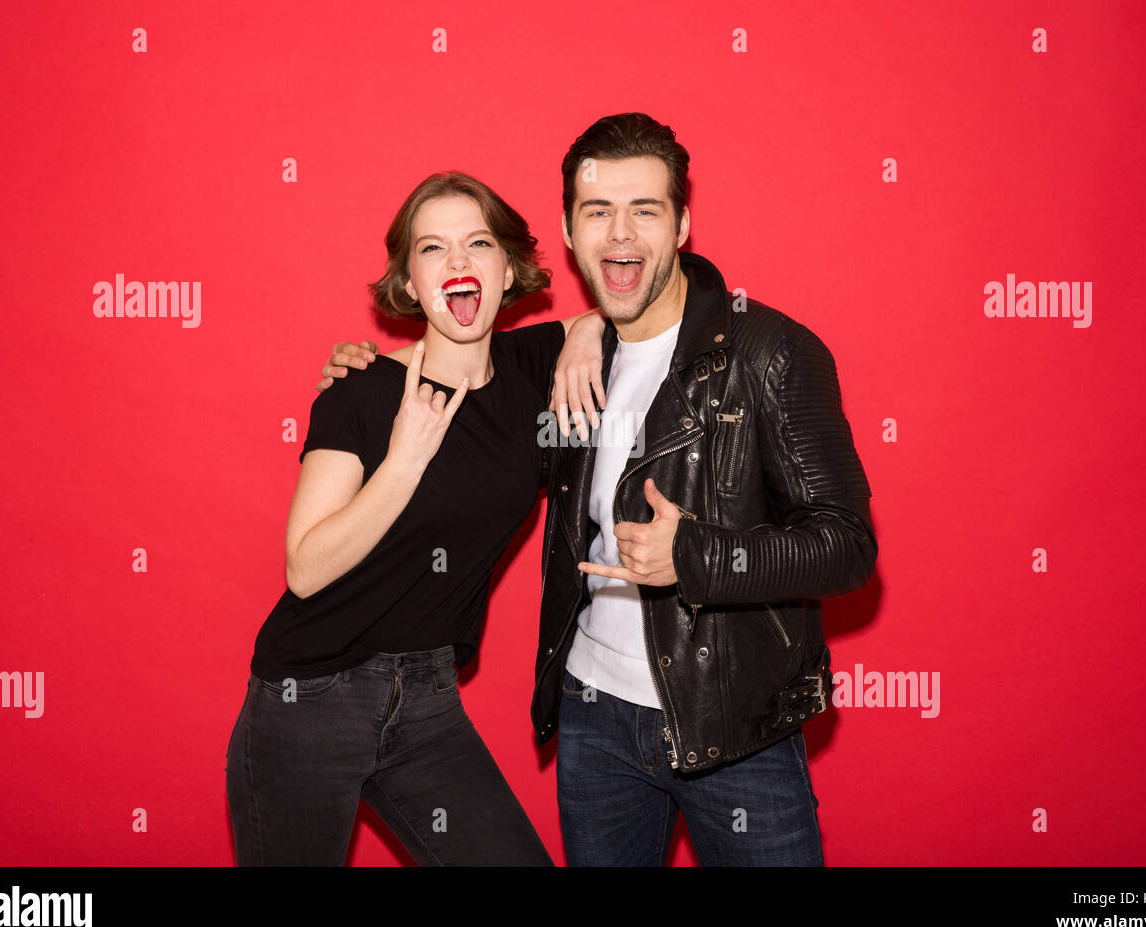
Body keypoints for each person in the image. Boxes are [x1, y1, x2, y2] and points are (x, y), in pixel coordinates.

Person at [320, 113, 878, 867]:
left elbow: (847, 546)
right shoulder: (565, 361)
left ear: (683, 224)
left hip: (737, 731)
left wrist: (699, 556)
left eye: (645, 210)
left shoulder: (771, 354)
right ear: (569, 230)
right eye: (597, 212)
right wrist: (364, 375)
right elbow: (453, 373)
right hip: (593, 723)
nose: (621, 234)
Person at [225, 170, 605, 866]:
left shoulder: (534, 372)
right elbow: (305, 571)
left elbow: (659, 298)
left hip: (429, 701)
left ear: (510, 267)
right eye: (433, 249)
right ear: (407, 283)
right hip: (307, 700)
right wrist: (404, 459)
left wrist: (584, 331)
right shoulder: (360, 392)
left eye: (478, 243)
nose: (458, 263)